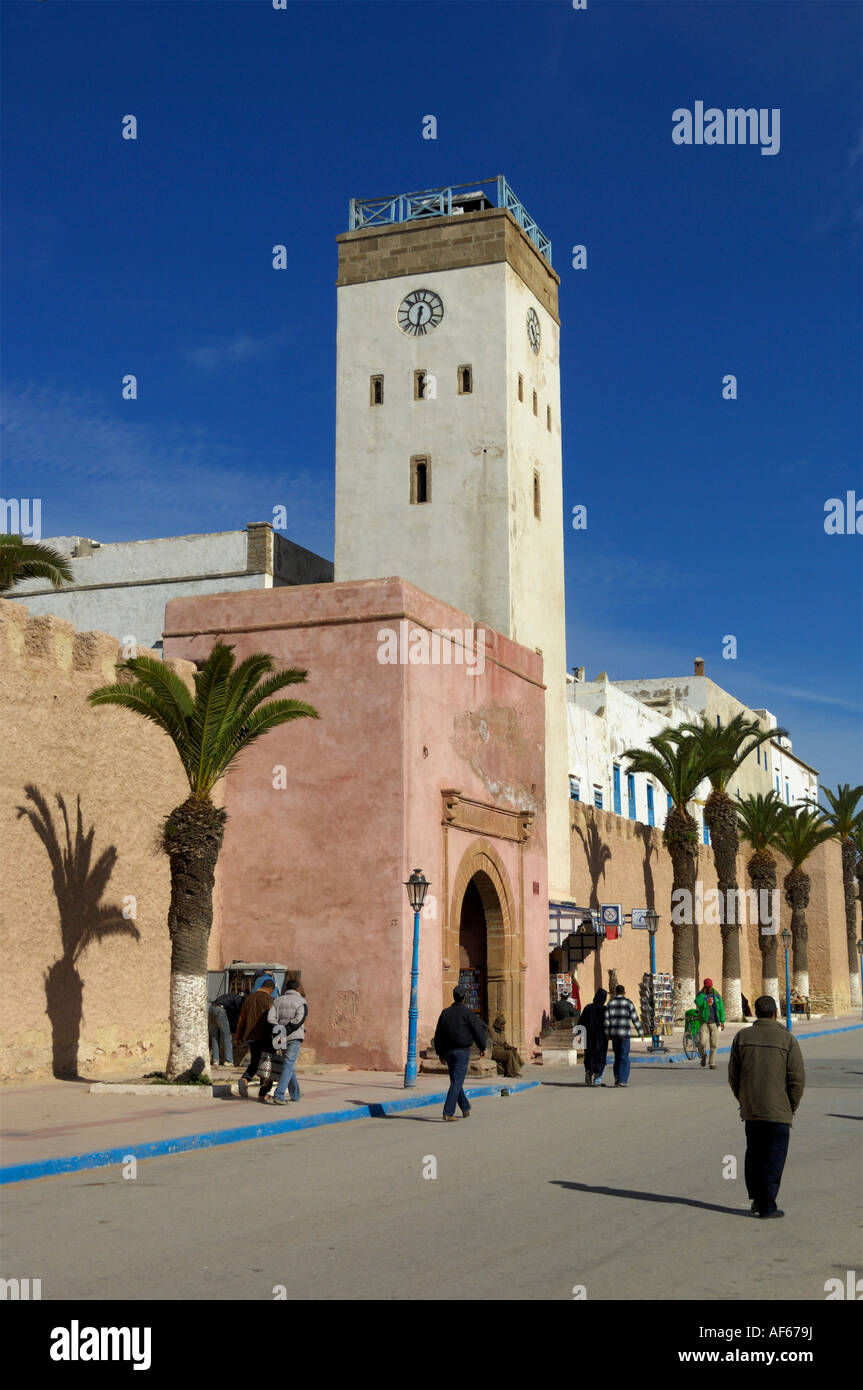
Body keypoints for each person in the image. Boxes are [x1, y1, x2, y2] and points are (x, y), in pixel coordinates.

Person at [728, 995, 805, 1219]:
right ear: (775, 1013)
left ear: (755, 1013)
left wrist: (743, 1099)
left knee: (754, 1154)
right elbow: (797, 1079)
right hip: (778, 1111)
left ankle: (757, 1198)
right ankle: (767, 1206)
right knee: (774, 1158)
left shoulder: (742, 1037)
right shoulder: (787, 1039)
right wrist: (790, 1106)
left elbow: (734, 1075)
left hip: (752, 1109)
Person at [433, 985, 488, 1120]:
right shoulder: (467, 1013)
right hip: (462, 1052)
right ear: (464, 998)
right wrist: (482, 1047)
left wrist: (440, 1053)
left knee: (455, 1081)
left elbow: (438, 1034)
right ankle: (448, 1112)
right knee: (457, 1082)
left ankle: (465, 1107)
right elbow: (477, 1031)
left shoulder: (445, 1013)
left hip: (448, 1052)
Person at [267, 978, 308, 1105]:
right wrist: (288, 1030)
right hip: (294, 1036)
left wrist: (280, 1030)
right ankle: (279, 1095)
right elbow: (299, 1019)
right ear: (297, 989)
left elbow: (270, 1018)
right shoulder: (301, 1002)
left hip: (280, 1036)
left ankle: (295, 1094)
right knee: (288, 1064)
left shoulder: (277, 1001)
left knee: (287, 1064)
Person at [236, 975, 277, 1097]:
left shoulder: (248, 999)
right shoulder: (270, 1000)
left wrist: (238, 1037)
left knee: (255, 1061)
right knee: (268, 1066)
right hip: (266, 1037)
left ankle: (245, 1079)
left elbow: (241, 1020)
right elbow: (273, 1020)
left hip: (251, 1037)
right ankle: (263, 1092)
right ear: (271, 989)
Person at [605, 984, 643, 1088]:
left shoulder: (610, 1003)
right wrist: (640, 1032)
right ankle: (623, 1080)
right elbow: (635, 1018)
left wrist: (607, 1034)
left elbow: (606, 1021)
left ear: (615, 992)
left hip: (614, 1035)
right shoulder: (628, 1003)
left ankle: (617, 1077)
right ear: (624, 992)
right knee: (624, 1057)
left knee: (617, 1057)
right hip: (625, 1034)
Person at [579, 987, 608, 1087]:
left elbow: (581, 1022)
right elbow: (608, 1024)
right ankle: (597, 1079)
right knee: (600, 1057)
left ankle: (588, 1072)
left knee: (589, 1056)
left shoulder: (588, 1008)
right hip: (601, 1038)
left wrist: (579, 1035)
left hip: (589, 1038)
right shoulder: (605, 1009)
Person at [694, 977, 725, 1070]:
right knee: (702, 1042)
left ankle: (712, 1063)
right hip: (704, 1023)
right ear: (704, 987)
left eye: (710, 986)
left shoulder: (716, 995)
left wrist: (722, 1021)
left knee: (714, 1044)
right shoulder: (701, 995)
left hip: (714, 1022)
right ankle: (703, 1056)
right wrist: (703, 994)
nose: (709, 988)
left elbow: (721, 1008)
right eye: (707, 987)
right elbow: (697, 1003)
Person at [486, 1012, 523, 1078]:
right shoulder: (491, 1031)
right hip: (494, 1051)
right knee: (509, 1054)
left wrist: (510, 1047)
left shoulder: (502, 1032)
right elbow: (491, 1043)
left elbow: (504, 1043)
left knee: (513, 1051)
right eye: (503, 1024)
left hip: (501, 1049)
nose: (504, 1026)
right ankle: (511, 1073)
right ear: (499, 1024)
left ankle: (517, 1068)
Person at [207, 998, 234, 1068]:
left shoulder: (231, 998)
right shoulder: (239, 1000)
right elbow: (236, 1013)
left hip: (211, 1009)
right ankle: (228, 1060)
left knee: (214, 1036)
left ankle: (215, 1060)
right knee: (227, 1035)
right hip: (219, 1011)